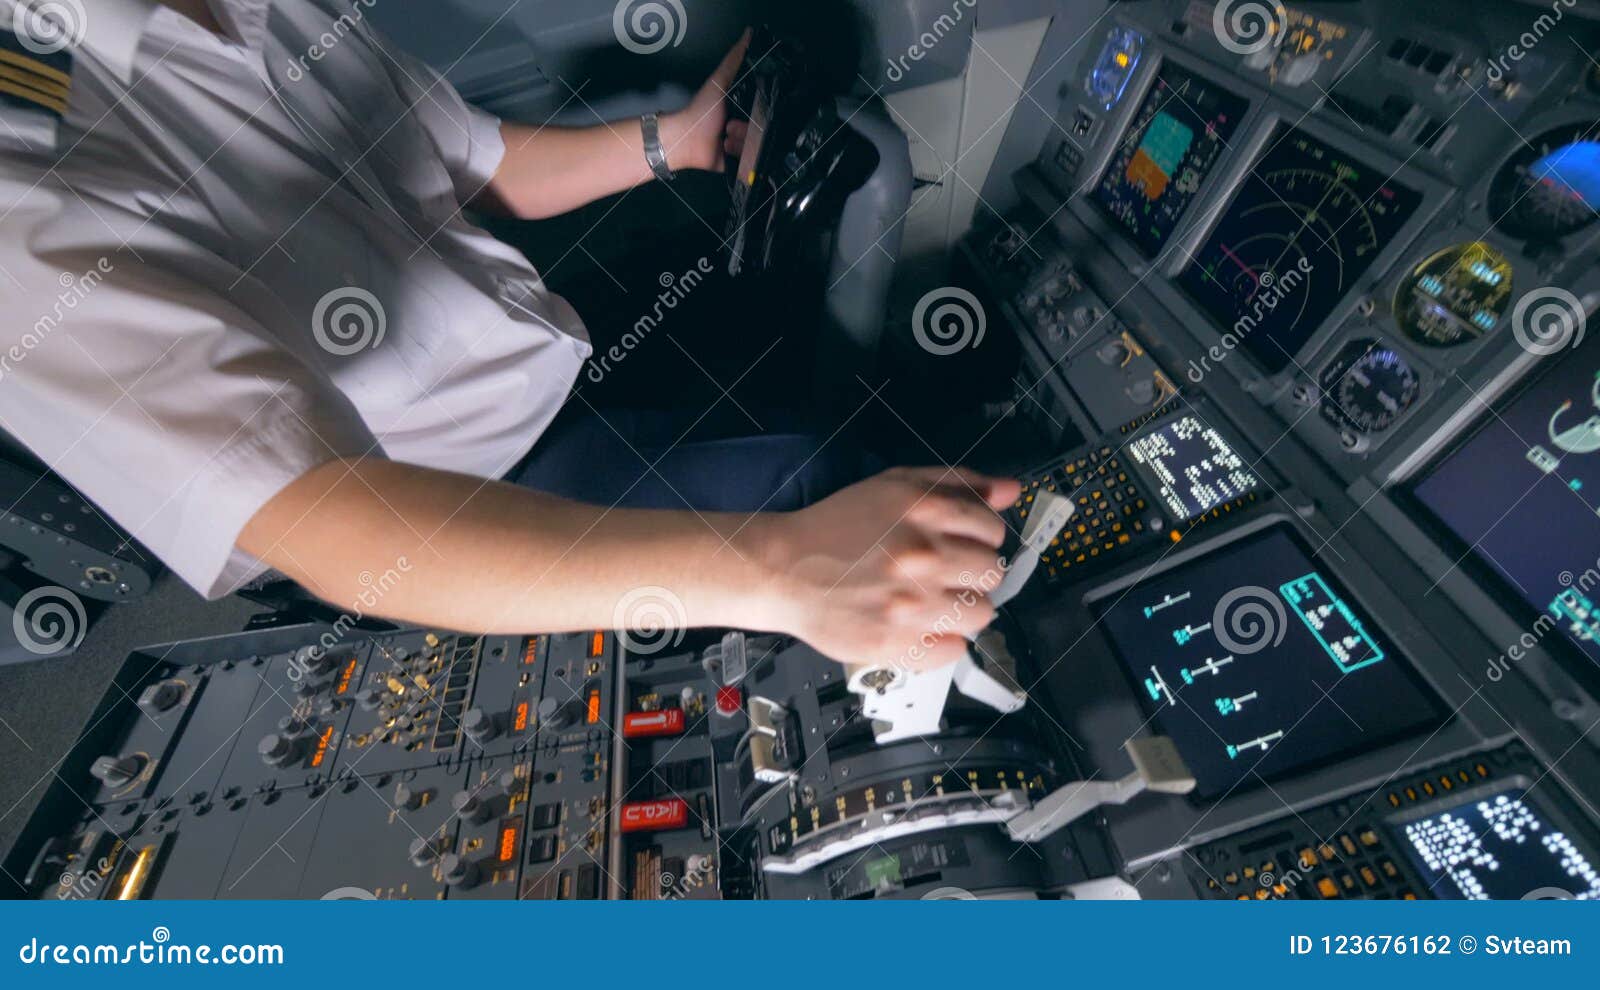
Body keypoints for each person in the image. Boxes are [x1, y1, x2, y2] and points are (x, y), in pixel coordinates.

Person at [0, 0, 1018, 670]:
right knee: (837, 478)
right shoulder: (22, 151)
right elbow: (332, 526)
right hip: (461, 516)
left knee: (803, 362)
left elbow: (481, 163)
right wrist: (786, 569)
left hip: (559, 366)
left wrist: (678, 143)